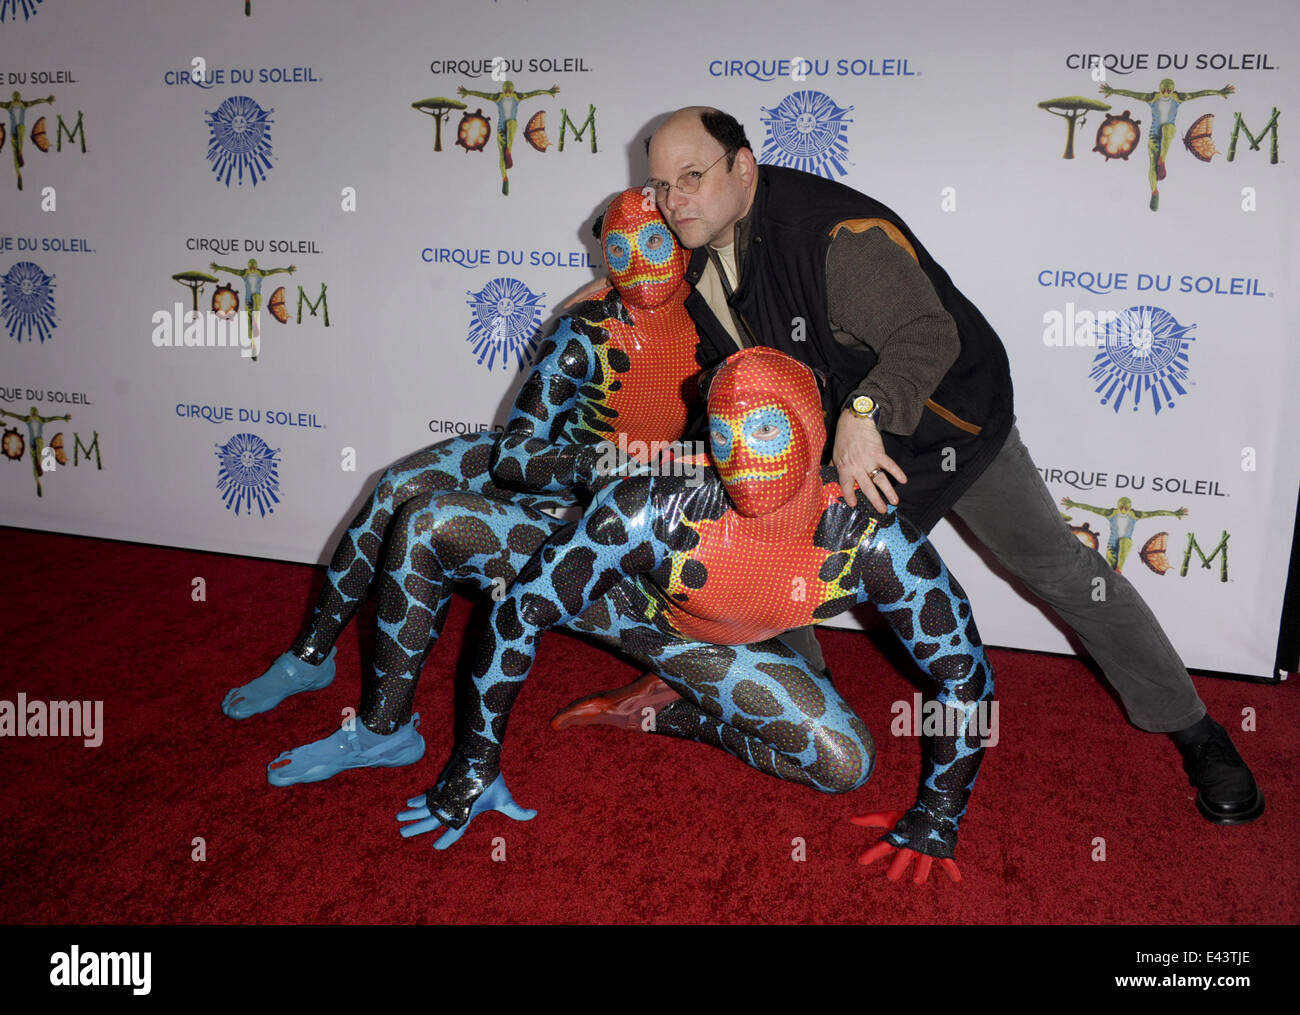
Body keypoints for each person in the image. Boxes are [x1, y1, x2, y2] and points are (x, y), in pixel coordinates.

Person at [562, 106, 1261, 825]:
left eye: (692, 177)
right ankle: (795, 692)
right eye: (660, 186)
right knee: (764, 551)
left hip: (942, 419)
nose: (674, 201)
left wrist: (866, 417)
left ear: (745, 166)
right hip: (826, 437)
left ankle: (1195, 728)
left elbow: (929, 333)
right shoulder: (693, 236)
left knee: (1057, 565)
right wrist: (623, 295)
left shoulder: (831, 237)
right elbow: (675, 298)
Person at [400, 347, 992, 883]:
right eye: (724, 432)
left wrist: (938, 816)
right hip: (615, 602)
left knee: (844, 765)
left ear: (812, 435)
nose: (741, 459)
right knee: (430, 522)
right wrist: (475, 764)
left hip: (707, 647)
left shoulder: (874, 540)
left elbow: (964, 677)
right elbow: (518, 615)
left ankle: (670, 711)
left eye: (764, 429)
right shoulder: (657, 502)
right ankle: (382, 724)